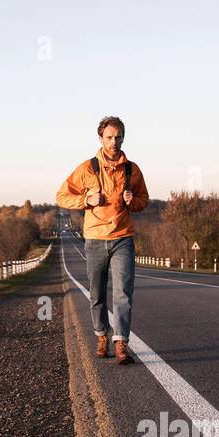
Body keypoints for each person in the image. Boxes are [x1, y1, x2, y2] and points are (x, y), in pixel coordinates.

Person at [54, 116, 150, 363]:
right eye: (109, 137)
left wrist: (133, 201)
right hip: (95, 239)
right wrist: (85, 200)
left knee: (123, 294)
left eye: (118, 137)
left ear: (123, 138)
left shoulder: (132, 169)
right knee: (97, 294)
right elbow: (62, 196)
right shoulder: (87, 168)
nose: (114, 141)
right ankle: (101, 335)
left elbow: (143, 200)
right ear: (100, 138)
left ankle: (121, 344)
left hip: (122, 238)